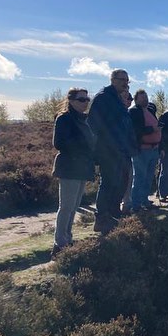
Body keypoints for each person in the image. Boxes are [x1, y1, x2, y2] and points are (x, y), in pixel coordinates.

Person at [88, 69, 137, 233]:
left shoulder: (117, 99)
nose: (125, 83)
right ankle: (102, 217)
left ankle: (113, 215)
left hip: (122, 151)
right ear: (113, 79)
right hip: (109, 151)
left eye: (127, 81)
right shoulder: (103, 97)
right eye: (122, 79)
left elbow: (125, 126)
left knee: (121, 183)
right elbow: (94, 123)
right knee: (108, 183)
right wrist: (109, 144)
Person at [51, 88, 96, 257]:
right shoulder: (64, 118)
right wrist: (82, 147)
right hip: (69, 167)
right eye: (81, 99)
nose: (85, 102)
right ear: (71, 101)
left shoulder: (84, 119)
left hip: (82, 167)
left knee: (74, 206)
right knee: (66, 207)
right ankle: (59, 243)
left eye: (87, 99)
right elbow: (59, 143)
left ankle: (67, 238)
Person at [129, 89, 161, 212]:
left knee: (148, 177)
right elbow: (136, 130)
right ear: (136, 99)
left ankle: (145, 201)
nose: (145, 99)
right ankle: (136, 205)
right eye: (142, 97)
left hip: (154, 148)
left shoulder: (150, 111)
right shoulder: (134, 111)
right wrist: (152, 129)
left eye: (146, 97)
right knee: (140, 177)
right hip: (141, 149)